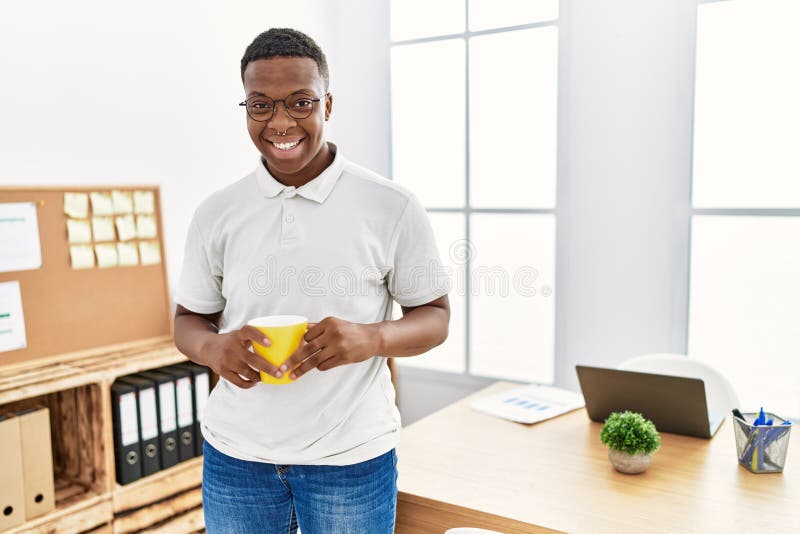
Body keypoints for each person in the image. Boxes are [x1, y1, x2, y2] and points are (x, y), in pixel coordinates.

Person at [173, 27, 450, 533]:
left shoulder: (391, 205)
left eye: (300, 102)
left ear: (328, 103)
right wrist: (214, 350)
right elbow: (189, 319)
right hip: (235, 459)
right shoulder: (216, 212)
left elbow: (434, 317)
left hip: (351, 458)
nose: (280, 122)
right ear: (247, 108)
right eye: (260, 105)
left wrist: (373, 337)